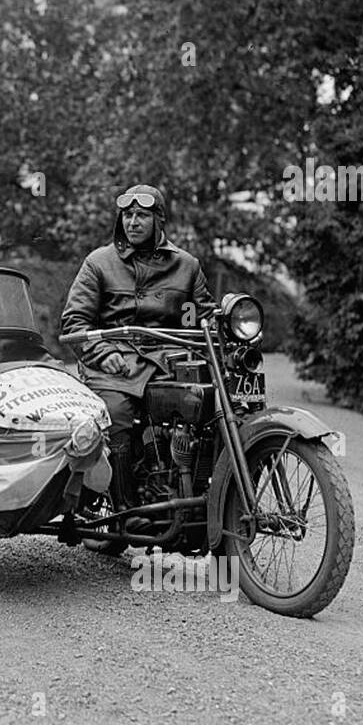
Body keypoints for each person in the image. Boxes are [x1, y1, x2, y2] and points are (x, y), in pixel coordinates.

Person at [60, 183, 214, 509]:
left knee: (206, 407)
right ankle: (125, 508)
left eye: (141, 215)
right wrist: (105, 353)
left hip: (166, 363)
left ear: (158, 220)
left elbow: (205, 321)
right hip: (112, 365)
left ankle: (195, 489)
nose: (132, 222)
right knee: (115, 414)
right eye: (127, 215)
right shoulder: (99, 262)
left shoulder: (187, 266)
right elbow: (75, 323)